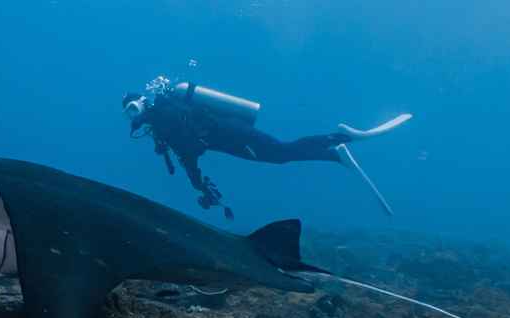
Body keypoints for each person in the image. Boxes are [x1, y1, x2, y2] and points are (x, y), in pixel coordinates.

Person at [125, 76, 408, 219]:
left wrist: (198, 183)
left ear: (143, 103)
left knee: (281, 153)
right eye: (129, 111)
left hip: (231, 135)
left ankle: (341, 139)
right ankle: (334, 154)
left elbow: (189, 151)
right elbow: (188, 153)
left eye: (133, 108)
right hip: (229, 138)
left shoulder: (164, 114)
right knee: (280, 155)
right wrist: (198, 182)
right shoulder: (162, 120)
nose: (133, 114)